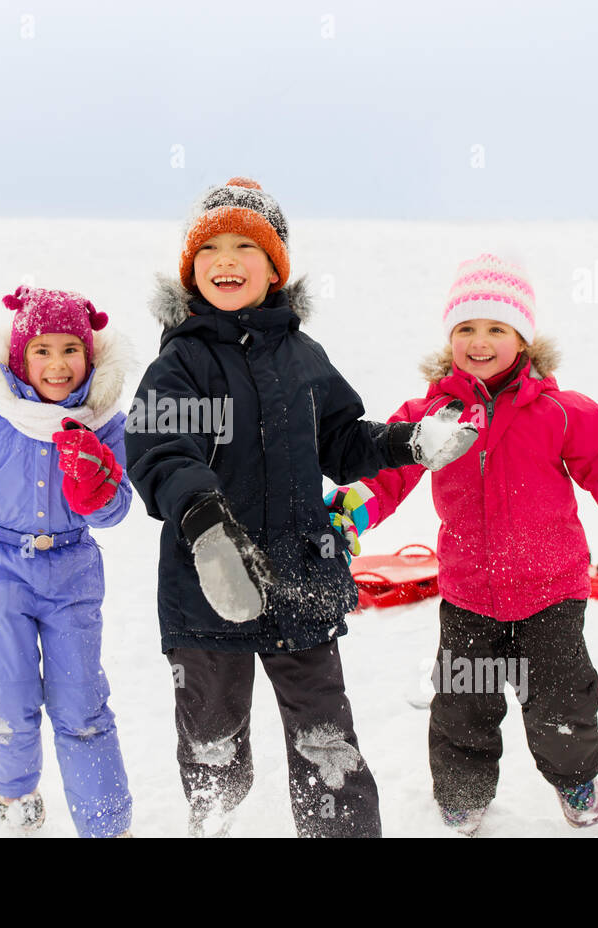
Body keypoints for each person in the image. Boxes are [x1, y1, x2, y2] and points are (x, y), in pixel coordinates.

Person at [125, 177, 478, 837]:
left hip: (300, 582)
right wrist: (205, 523)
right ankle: (217, 815)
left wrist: (410, 442)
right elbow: (160, 451)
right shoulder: (181, 365)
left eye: (245, 247)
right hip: (207, 593)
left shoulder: (303, 357)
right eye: (210, 250)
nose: (226, 261)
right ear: (190, 269)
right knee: (214, 739)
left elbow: (345, 442)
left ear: (276, 267)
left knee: (326, 742)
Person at [326, 253, 598, 835]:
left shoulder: (559, 412)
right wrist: (351, 511)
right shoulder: (433, 416)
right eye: (466, 329)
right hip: (469, 590)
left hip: (550, 589)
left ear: (522, 338)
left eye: (496, 328)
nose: (480, 341)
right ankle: (463, 791)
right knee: (462, 704)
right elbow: (389, 470)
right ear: (450, 337)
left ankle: (575, 777)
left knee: (560, 702)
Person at [0, 284, 134, 837]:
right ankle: (14, 795)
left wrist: (96, 487)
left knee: (81, 705)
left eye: (70, 350)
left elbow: (115, 511)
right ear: (19, 357)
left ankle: (107, 827)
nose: (57, 365)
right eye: (42, 350)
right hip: (2, 566)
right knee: (7, 695)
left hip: (72, 570)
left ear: (89, 356)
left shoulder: (104, 422)